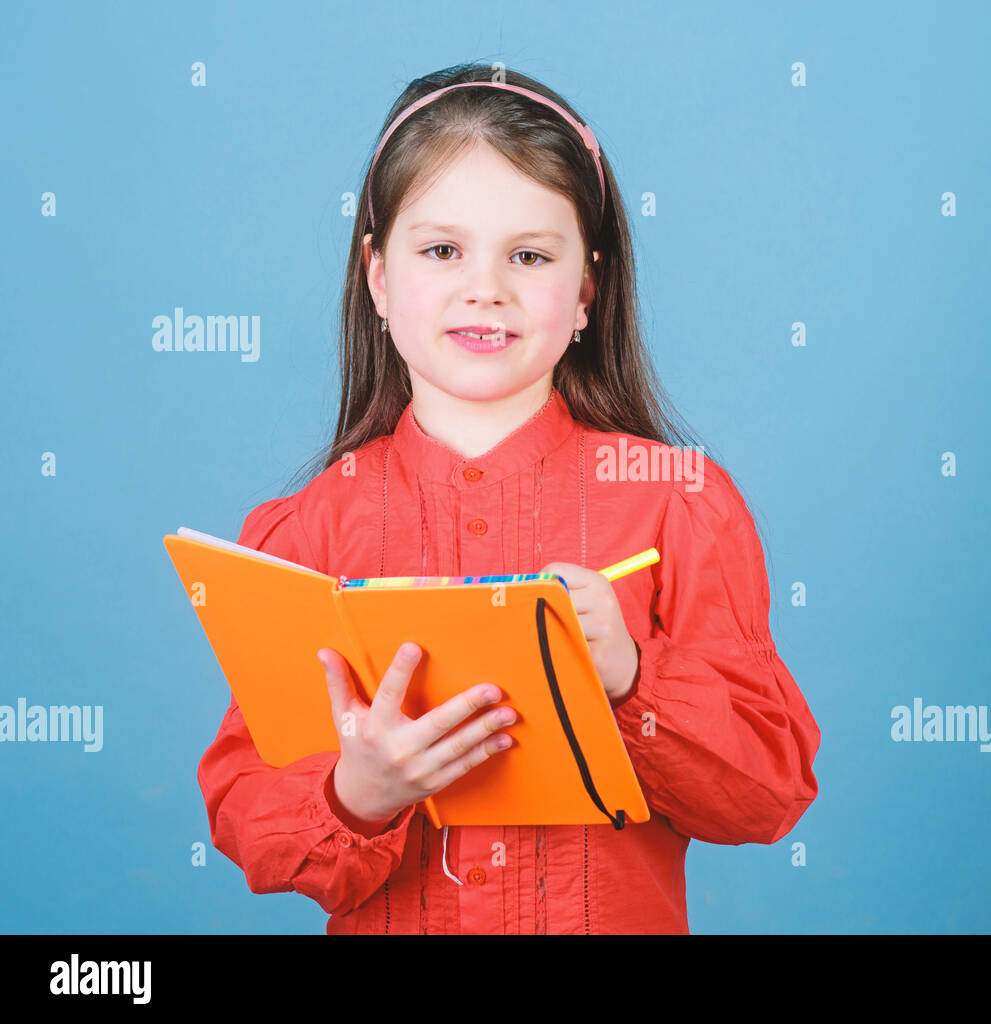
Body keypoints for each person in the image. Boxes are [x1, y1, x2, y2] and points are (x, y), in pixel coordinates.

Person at [196, 62, 820, 934]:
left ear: (586, 291)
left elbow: (766, 794)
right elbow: (251, 826)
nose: (485, 287)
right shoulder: (302, 534)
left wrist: (633, 679)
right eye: (442, 250)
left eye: (529, 255)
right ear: (378, 278)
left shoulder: (681, 501)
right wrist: (358, 794)